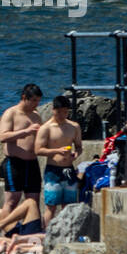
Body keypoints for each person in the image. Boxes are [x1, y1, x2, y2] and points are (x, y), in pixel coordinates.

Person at [36, 95, 83, 225]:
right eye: (59, 111)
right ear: (53, 110)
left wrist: (76, 154)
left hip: (68, 169)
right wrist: (56, 151)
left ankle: (66, 232)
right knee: (51, 206)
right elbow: (38, 150)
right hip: (53, 170)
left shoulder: (74, 127)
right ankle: (46, 234)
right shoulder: (46, 128)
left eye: (65, 112)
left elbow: (79, 147)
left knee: (68, 205)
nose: (62, 115)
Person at [0, 83, 44, 212]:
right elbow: (3, 136)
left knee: (33, 202)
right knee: (12, 200)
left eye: (38, 101)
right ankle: (5, 230)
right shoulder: (11, 113)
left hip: (32, 163)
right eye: (34, 100)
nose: (36, 104)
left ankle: (30, 230)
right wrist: (26, 131)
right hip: (15, 163)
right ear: (24, 97)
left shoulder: (36, 115)